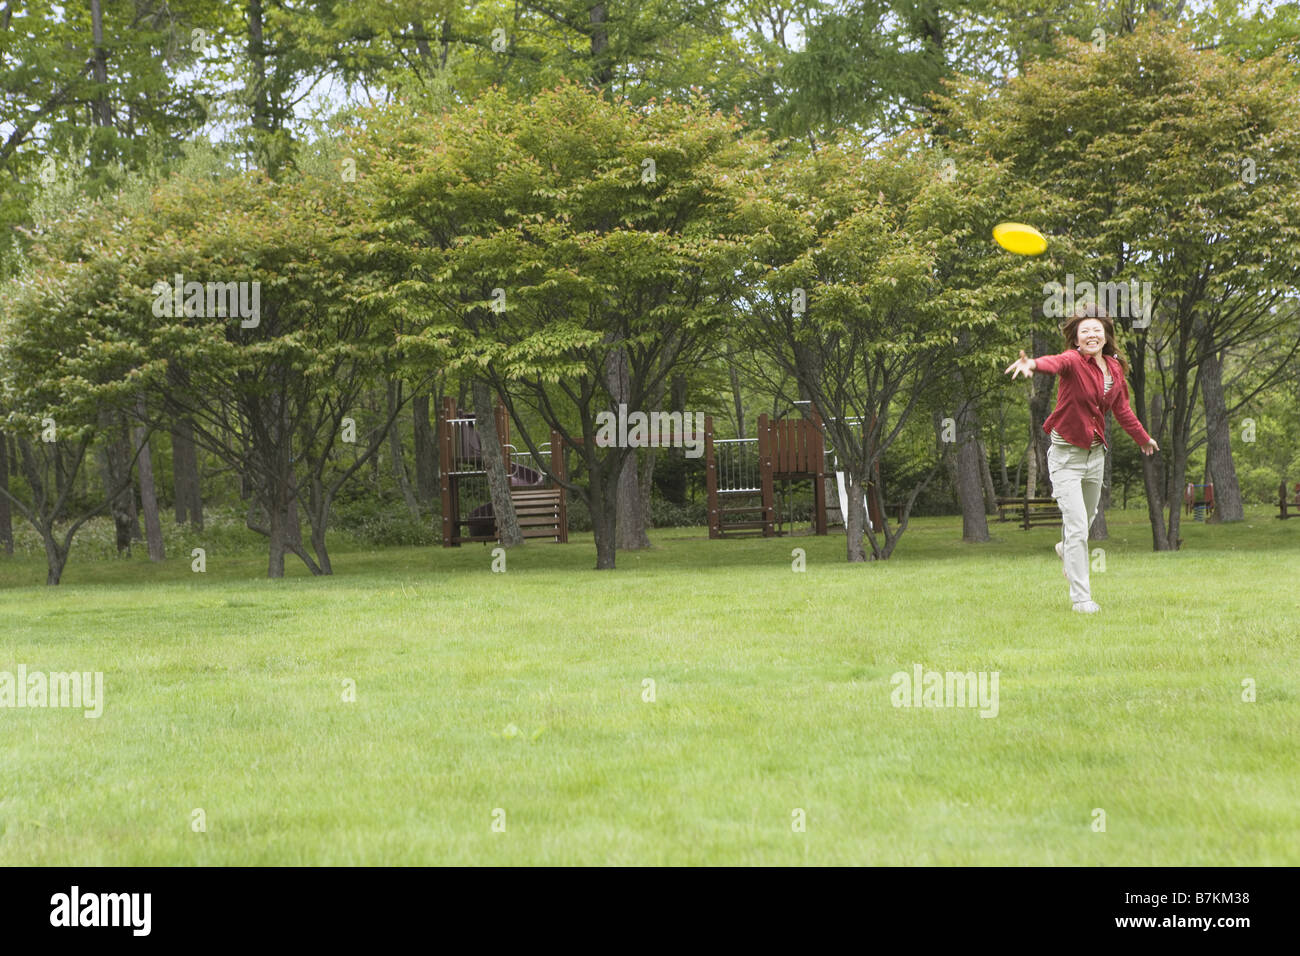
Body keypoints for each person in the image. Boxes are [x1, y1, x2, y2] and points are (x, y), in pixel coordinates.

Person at [1005, 303, 1159, 612]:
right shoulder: (1073, 361)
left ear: (1106, 335)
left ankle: (1065, 548)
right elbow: (1055, 363)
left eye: (1096, 330)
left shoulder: (1114, 368)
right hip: (1065, 457)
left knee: (1086, 520)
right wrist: (1032, 363)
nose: (1091, 335)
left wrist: (1142, 437)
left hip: (1095, 456)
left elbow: (1122, 409)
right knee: (1076, 527)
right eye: (1084, 330)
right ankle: (1081, 598)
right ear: (1076, 338)